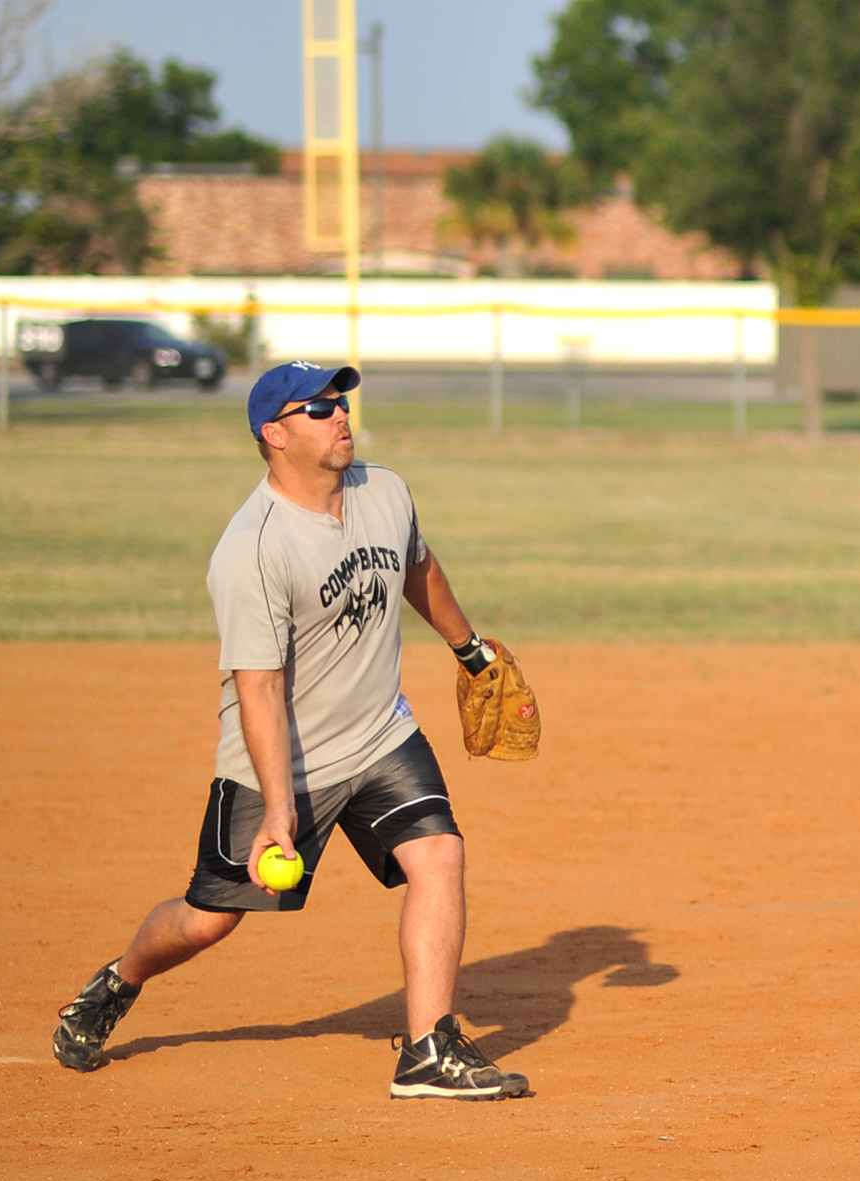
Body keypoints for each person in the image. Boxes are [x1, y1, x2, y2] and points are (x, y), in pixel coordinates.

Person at [52, 361, 531, 1101]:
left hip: (379, 736)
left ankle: (430, 1050)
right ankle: (119, 980)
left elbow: (418, 568)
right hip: (280, 761)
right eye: (317, 408)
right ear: (274, 434)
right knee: (209, 920)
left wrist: (470, 649)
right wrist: (279, 807)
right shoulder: (252, 549)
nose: (340, 415)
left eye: (341, 401)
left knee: (440, 853)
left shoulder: (386, 491)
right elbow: (260, 687)